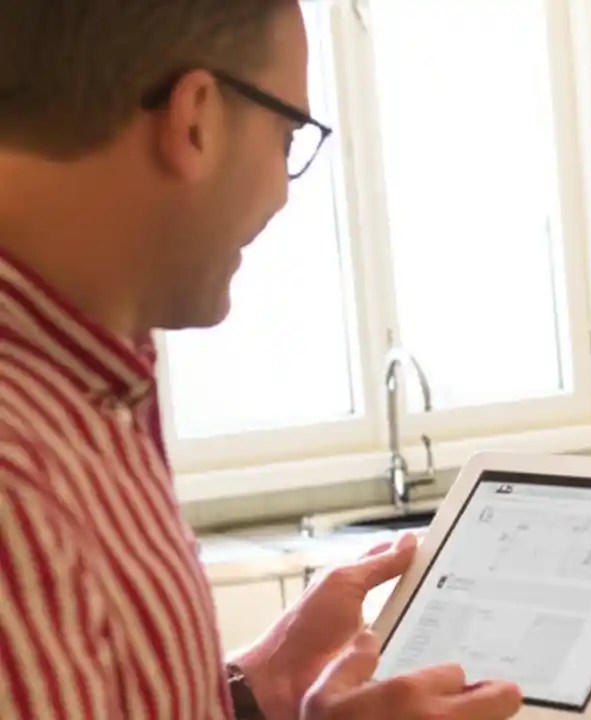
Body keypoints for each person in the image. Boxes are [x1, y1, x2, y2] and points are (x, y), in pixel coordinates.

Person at [0, 2, 520, 718]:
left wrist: (253, 689)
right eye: (288, 135)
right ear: (196, 119)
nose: (281, 190)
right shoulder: (17, 492)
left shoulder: (85, 382)